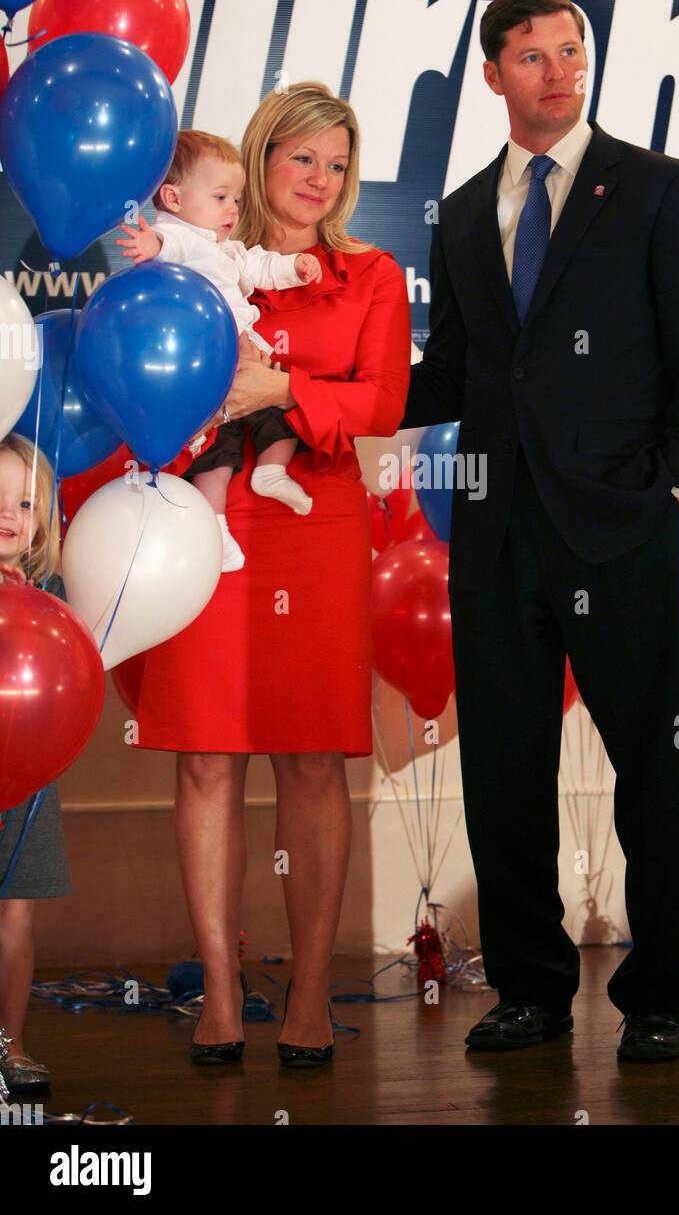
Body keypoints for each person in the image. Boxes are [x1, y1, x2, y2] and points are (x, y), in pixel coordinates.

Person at [399, 0, 679, 1060]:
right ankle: (531, 990)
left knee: (646, 765)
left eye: (569, 51)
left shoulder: (653, 186)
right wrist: (318, 383)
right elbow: (448, 371)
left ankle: (651, 997)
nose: (557, 70)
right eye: (532, 56)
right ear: (492, 73)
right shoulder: (458, 213)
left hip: (619, 525)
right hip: (495, 535)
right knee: (502, 771)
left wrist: (674, 490)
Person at [134, 82, 411, 1067]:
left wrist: (280, 387)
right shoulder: (194, 249)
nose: (319, 181)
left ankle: (304, 996)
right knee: (206, 755)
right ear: (260, 158)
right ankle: (217, 991)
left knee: (309, 758)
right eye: (302, 159)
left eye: (336, 164)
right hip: (201, 516)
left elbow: (380, 400)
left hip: (315, 520)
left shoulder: (371, 273)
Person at [115, 129, 325, 571]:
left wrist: (295, 267)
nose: (232, 209)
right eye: (220, 197)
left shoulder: (223, 247)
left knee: (279, 408)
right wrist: (152, 244)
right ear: (172, 198)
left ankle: (270, 470)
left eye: (237, 199)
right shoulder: (180, 237)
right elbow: (170, 244)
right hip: (206, 367)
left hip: (245, 358)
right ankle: (214, 522)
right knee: (220, 447)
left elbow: (260, 263)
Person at [0, 433, 69, 1093]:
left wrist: (29, 606)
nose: (8, 516)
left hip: (29, 787)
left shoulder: (51, 588)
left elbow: (64, 678)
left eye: (23, 501)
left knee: (16, 917)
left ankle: (10, 1045)